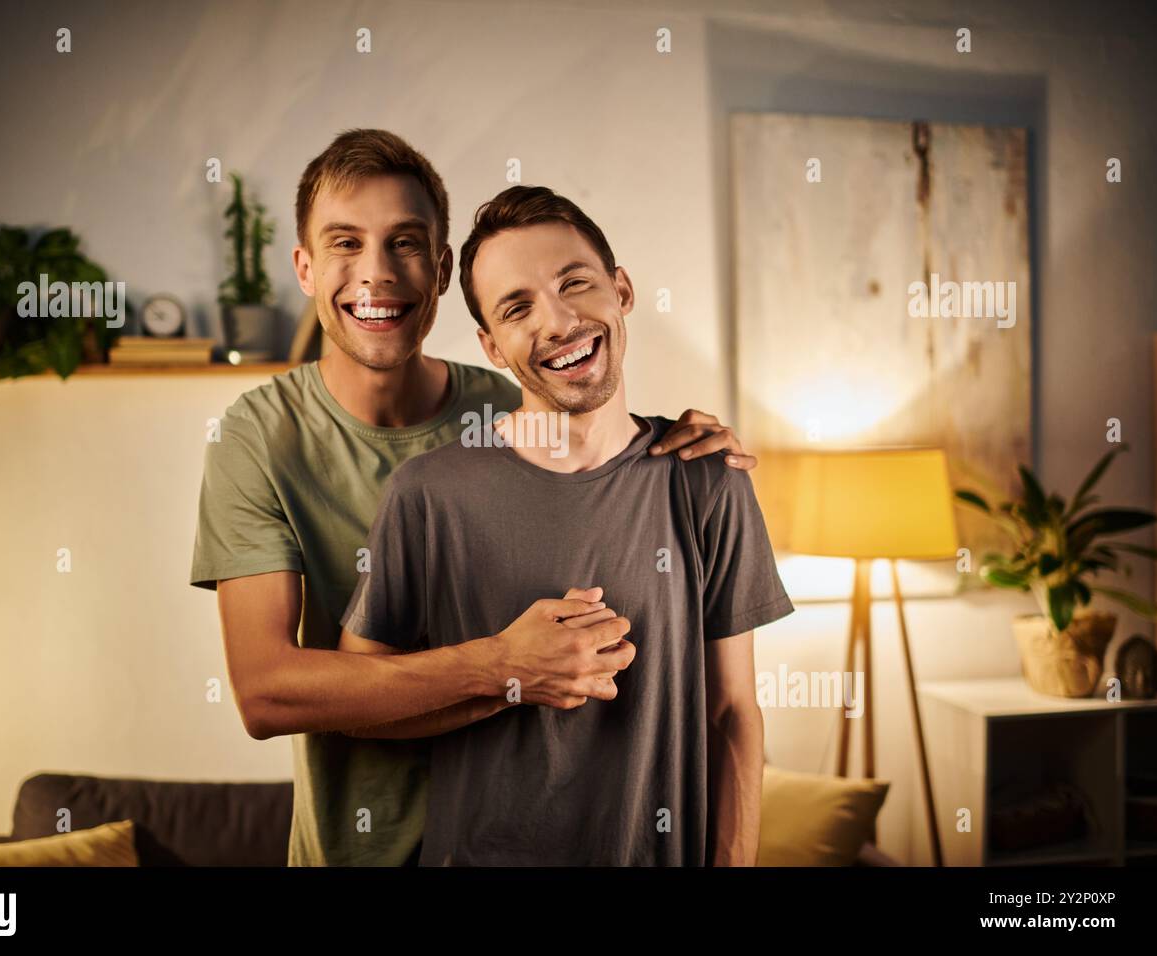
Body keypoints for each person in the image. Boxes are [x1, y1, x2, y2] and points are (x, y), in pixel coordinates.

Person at [191, 130, 759, 866]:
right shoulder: (259, 436)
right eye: (344, 244)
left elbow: (595, 421)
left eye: (405, 243)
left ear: (439, 267)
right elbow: (266, 694)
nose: (377, 274)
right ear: (303, 266)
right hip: (355, 849)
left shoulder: (512, 405)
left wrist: (687, 444)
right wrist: (503, 665)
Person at [339, 184, 794, 865]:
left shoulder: (710, 477)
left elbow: (732, 713)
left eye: (574, 284)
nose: (557, 322)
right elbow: (360, 699)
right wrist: (503, 673)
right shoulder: (427, 495)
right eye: (517, 308)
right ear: (493, 347)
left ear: (622, 291)